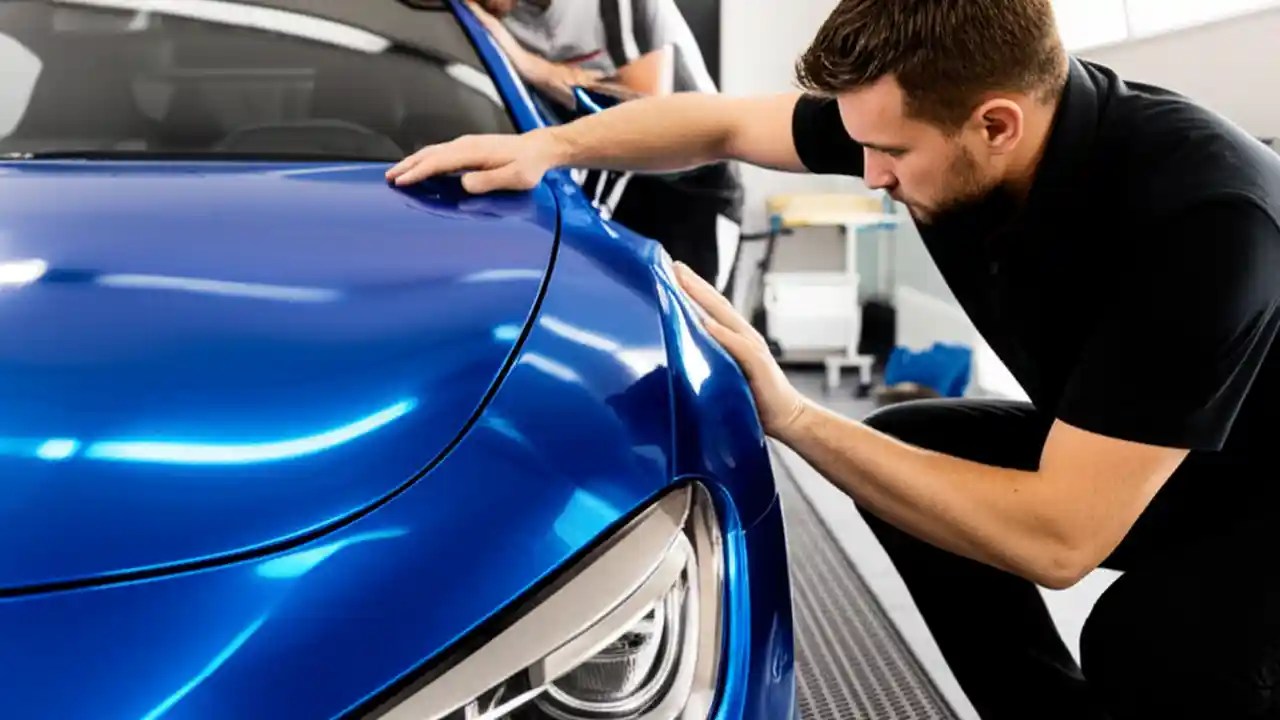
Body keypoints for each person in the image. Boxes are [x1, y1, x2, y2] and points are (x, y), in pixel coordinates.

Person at [388, 1, 1280, 717]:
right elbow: (724, 124)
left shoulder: (1204, 221)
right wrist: (548, 147)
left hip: (1258, 501)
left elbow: (1059, 541)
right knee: (915, 452)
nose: (872, 176)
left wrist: (795, 416)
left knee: (1150, 642)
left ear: (996, 125)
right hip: (1169, 452)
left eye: (891, 152)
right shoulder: (948, 113)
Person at [463, 0, 745, 291]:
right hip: (610, 174)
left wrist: (527, 64)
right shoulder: (503, 12)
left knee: (699, 310)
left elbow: (643, 103)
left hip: (690, 181)